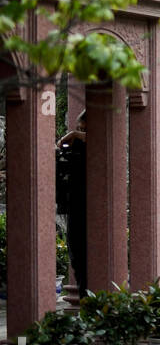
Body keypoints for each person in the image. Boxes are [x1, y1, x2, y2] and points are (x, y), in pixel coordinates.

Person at [55, 111, 89, 298]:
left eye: (84, 128)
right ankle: (85, 298)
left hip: (89, 207)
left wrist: (75, 135)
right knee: (76, 256)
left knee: (85, 255)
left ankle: (89, 298)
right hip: (73, 205)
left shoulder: (93, 146)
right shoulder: (74, 151)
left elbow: (100, 140)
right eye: (79, 128)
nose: (80, 132)